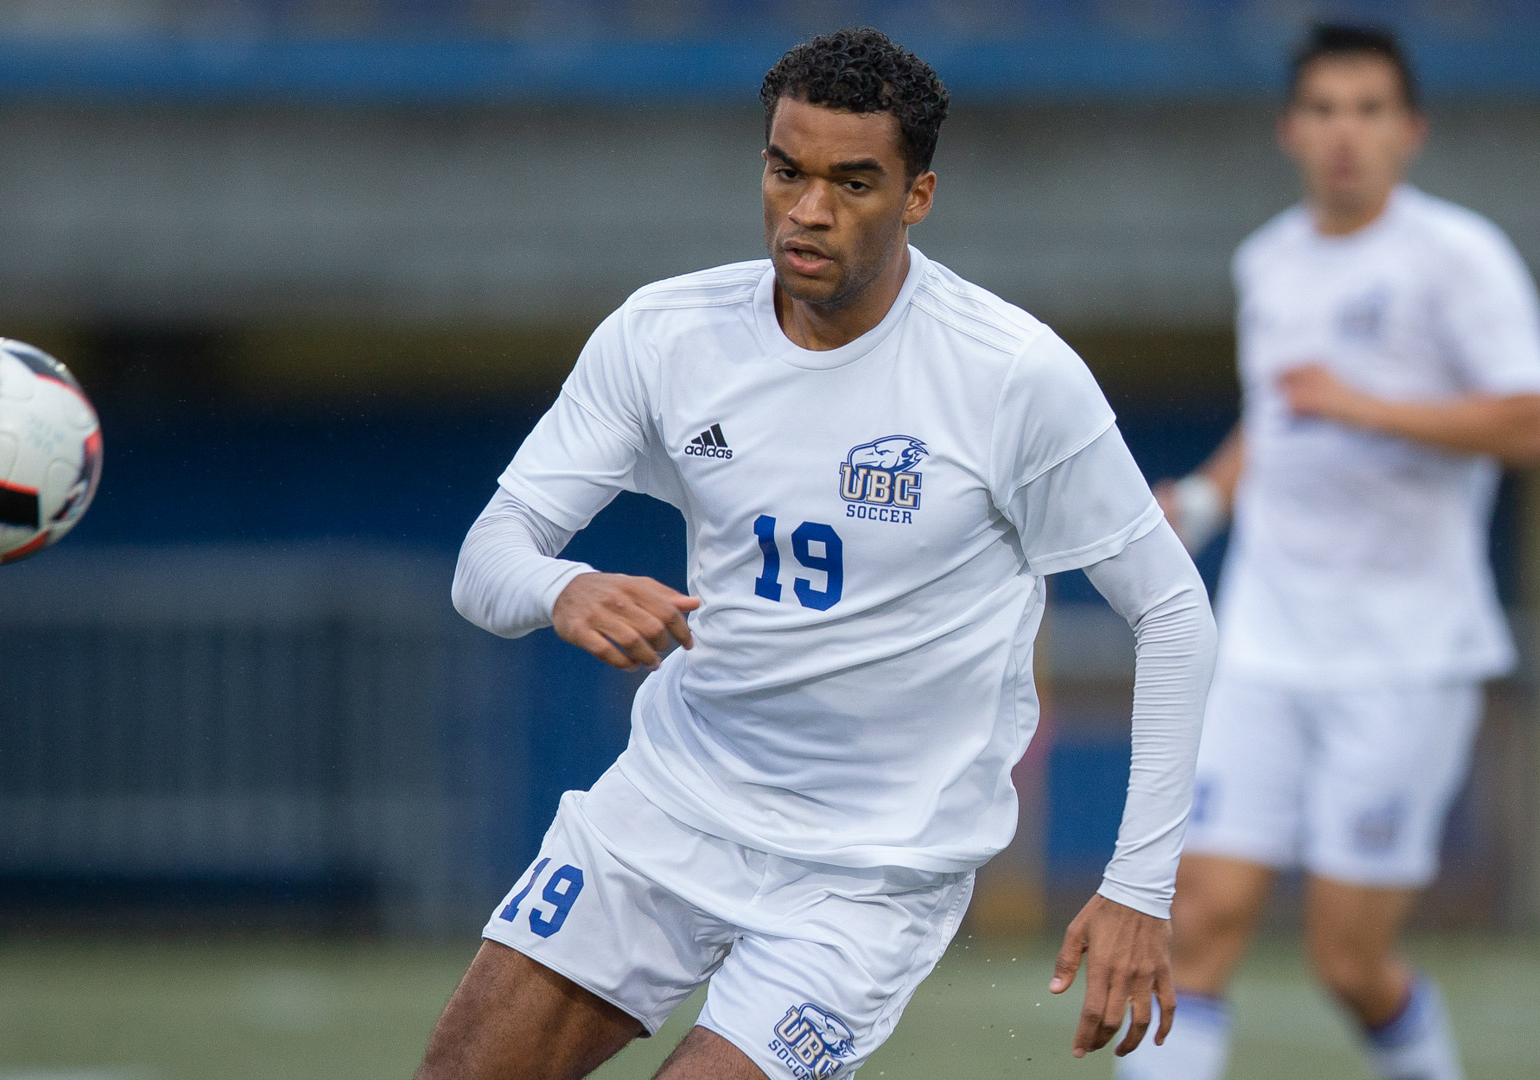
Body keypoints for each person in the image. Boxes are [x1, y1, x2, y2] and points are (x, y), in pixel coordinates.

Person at [425, 28, 1217, 1080]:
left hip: (871, 878)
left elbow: (1173, 613)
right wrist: (561, 584)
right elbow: (489, 557)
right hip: (669, 809)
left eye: (852, 181)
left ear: (917, 196)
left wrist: (1140, 888)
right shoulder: (664, 336)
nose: (807, 209)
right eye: (785, 170)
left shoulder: (1011, 376)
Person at [1118, 24, 1540, 1080]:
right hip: (1267, 645)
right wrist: (1194, 502)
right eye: (1323, 109)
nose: (1344, 134)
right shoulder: (1267, 261)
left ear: (1409, 131)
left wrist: (1363, 406)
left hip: (1405, 658)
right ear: (1290, 128)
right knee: (1200, 917)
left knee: (1348, 958)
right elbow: (1274, 425)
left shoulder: (1458, 257)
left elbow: (1537, 425)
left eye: (1368, 110)